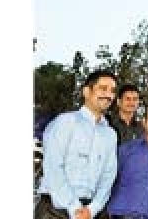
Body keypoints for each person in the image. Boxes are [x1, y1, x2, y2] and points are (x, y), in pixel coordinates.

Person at [36, 70, 120, 219]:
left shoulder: (110, 135)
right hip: (55, 210)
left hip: (90, 211)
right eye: (103, 88)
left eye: (112, 91)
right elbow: (53, 167)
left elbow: (108, 176)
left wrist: (93, 209)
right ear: (86, 91)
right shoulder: (65, 122)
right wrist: (74, 207)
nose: (108, 95)